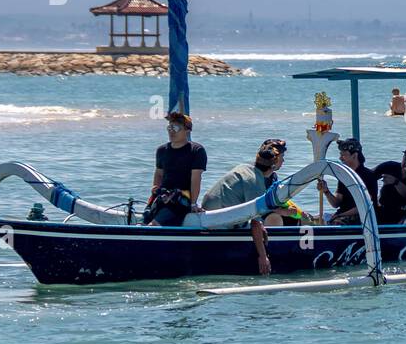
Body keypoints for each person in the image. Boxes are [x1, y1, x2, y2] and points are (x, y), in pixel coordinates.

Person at [202, 138, 299, 275]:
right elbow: (255, 222)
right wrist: (263, 256)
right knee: (269, 223)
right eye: (282, 158)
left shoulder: (245, 169)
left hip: (209, 215)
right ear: (274, 164)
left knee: (266, 223)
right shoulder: (255, 182)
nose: (283, 161)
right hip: (218, 223)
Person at [145, 112, 207, 227]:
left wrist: (193, 204)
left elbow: (196, 179)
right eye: (169, 127)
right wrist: (155, 191)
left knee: (152, 226)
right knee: (140, 224)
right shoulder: (162, 150)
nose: (171, 131)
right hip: (162, 199)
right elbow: (159, 174)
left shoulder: (196, 151)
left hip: (181, 200)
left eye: (176, 127)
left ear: (187, 130)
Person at [317, 137, 378, 225]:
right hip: (342, 215)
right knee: (317, 219)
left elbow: (366, 206)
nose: (340, 158)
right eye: (340, 154)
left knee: (336, 223)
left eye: (343, 155)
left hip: (361, 216)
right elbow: (336, 204)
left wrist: (339, 215)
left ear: (354, 156)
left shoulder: (369, 176)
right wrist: (326, 191)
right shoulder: (344, 175)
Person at [373, 146, 406, 225]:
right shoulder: (390, 166)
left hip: (404, 214)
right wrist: (373, 197)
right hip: (383, 209)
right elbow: (369, 176)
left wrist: (395, 182)